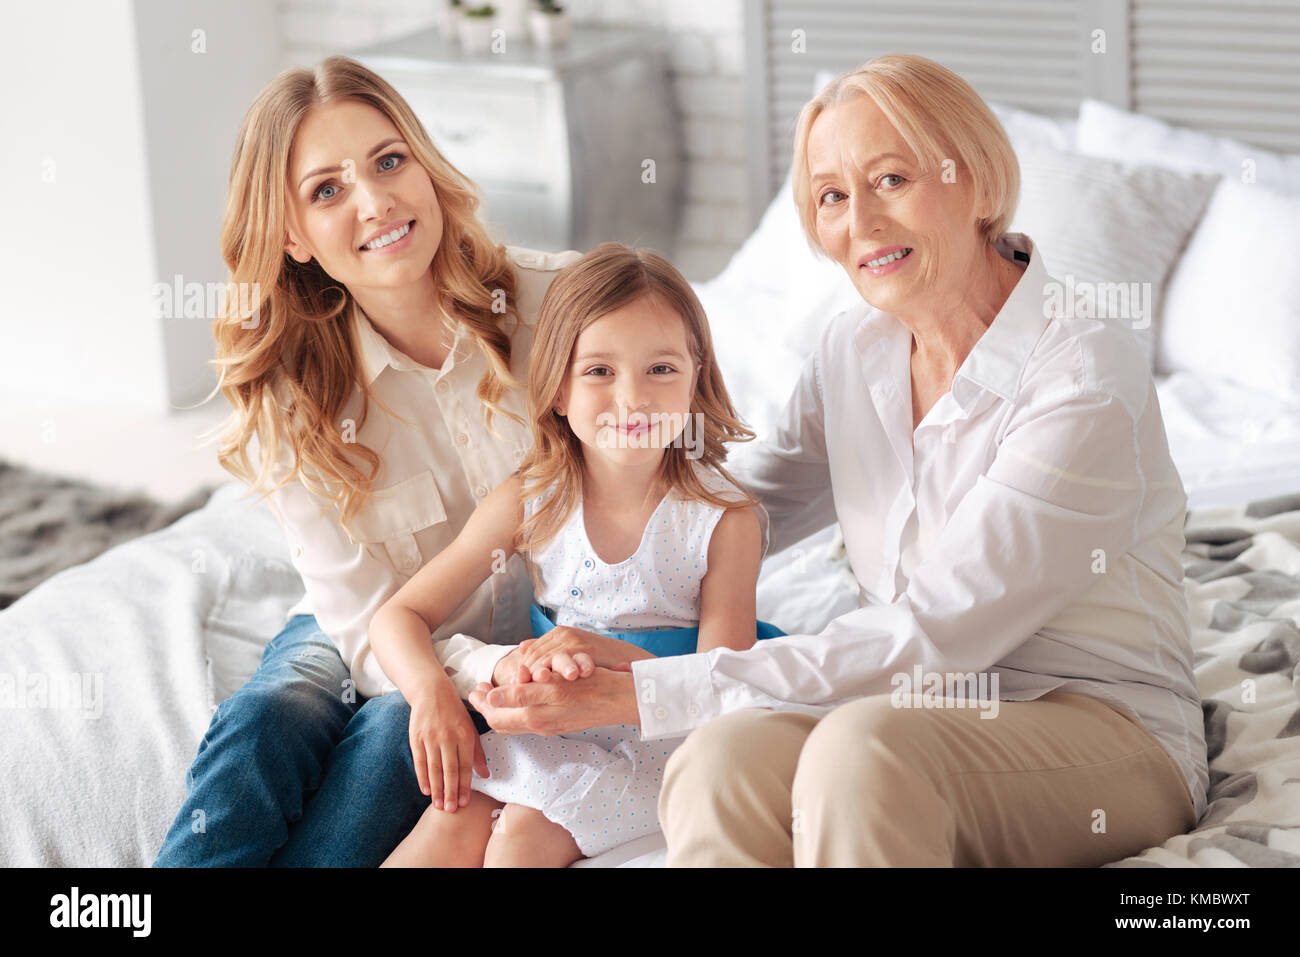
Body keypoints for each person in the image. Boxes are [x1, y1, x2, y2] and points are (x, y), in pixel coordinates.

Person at [468, 54, 1209, 867]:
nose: (859, 221)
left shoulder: (1083, 375)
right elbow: (731, 515)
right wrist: (588, 591)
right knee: (717, 760)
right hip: (909, 709)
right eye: (831, 196)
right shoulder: (855, 349)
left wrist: (645, 688)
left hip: (1101, 729)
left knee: (860, 750)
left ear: (980, 185)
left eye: (891, 178)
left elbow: (937, 630)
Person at [153, 55, 578, 867]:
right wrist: (441, 677)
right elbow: (361, 628)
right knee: (269, 713)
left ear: (424, 163)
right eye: (327, 190)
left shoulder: (555, 307)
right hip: (372, 632)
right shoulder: (295, 395)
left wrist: (463, 681)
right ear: (290, 237)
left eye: (389, 161)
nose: (376, 201)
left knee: (391, 733)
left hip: (521, 649)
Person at [373, 243, 776, 867]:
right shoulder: (532, 500)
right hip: (552, 729)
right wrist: (431, 694)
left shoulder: (724, 520)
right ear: (558, 388)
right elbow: (396, 617)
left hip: (658, 741)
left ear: (698, 378)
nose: (633, 398)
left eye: (662, 369)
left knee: (520, 839)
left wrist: (607, 659)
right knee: (447, 825)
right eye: (599, 371)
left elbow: (719, 690)